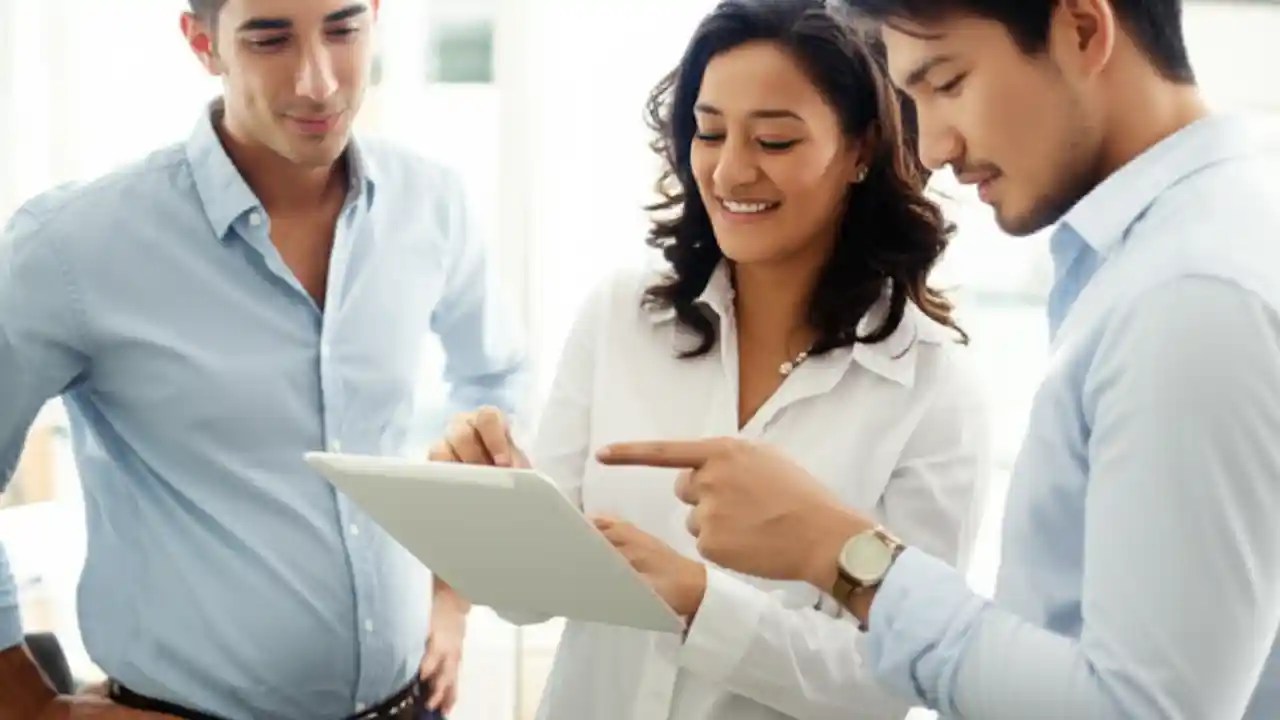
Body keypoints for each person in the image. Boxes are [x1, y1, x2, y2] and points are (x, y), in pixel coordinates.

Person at [599, 0, 1280, 718]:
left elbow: (1139, 709)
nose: (931, 150)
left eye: (948, 82)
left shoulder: (1189, 297)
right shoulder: (1169, 262)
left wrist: (848, 558)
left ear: (1082, 29)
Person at [431, 1, 990, 718]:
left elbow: (886, 681)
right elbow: (529, 597)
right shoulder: (621, 317)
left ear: (860, 151)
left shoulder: (931, 387)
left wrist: (700, 603)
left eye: (776, 141)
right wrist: (496, 505)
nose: (730, 171)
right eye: (709, 132)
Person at [0, 0, 525, 718]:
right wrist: (25, 703)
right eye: (270, 38)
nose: (319, 82)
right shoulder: (71, 248)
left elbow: (497, 379)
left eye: (342, 29)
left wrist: (456, 588)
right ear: (203, 43)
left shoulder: (431, 202)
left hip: (412, 706)